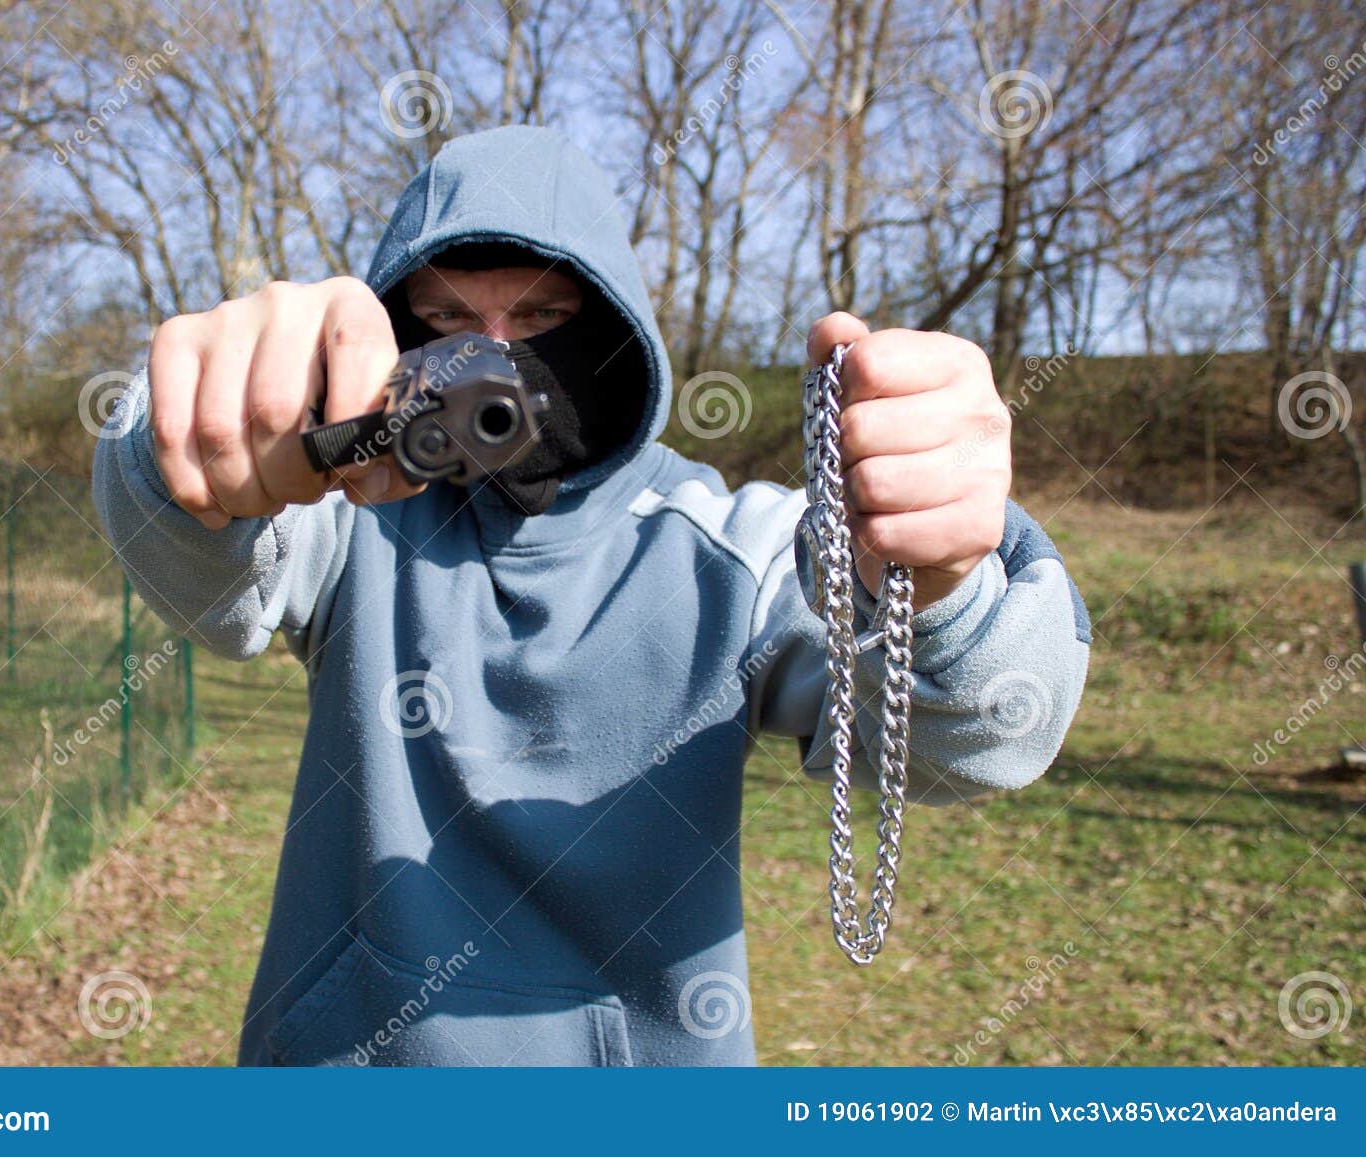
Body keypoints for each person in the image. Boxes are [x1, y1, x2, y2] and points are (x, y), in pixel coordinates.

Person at [93, 125, 1090, 1066]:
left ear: (614, 328)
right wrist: (187, 435)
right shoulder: (359, 507)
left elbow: (981, 742)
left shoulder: (730, 551)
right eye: (443, 320)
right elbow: (201, 558)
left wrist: (940, 579)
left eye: (539, 318)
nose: (489, 353)